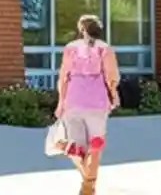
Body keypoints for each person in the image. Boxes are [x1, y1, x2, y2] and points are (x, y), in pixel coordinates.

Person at [54, 15, 120, 195]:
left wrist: (61, 102)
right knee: (96, 145)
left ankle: (86, 181)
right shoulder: (105, 49)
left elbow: (63, 77)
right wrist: (113, 96)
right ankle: (89, 185)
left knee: (77, 148)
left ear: (82, 29)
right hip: (97, 102)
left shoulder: (70, 48)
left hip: (73, 100)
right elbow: (112, 78)